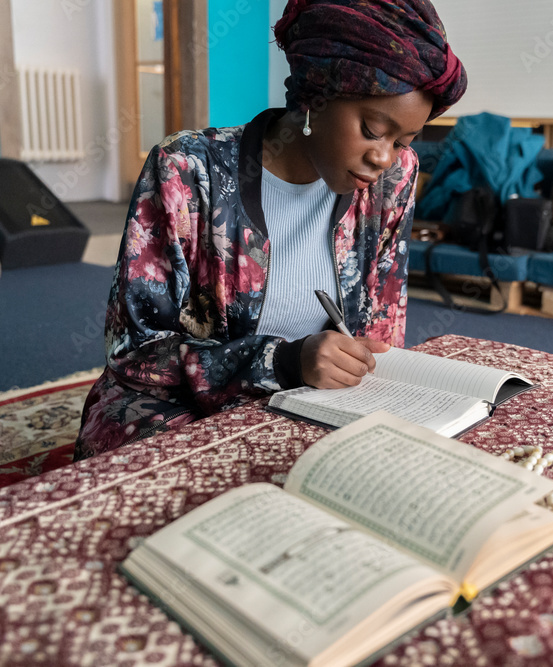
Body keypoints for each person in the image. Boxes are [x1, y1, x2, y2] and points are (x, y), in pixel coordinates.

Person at [74, 0, 467, 460]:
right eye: (372, 129)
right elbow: (135, 353)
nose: (384, 158)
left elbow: (382, 334)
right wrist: (280, 362)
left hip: (316, 401)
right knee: (188, 470)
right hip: (184, 404)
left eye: (403, 141)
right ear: (315, 94)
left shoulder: (394, 180)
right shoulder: (186, 170)